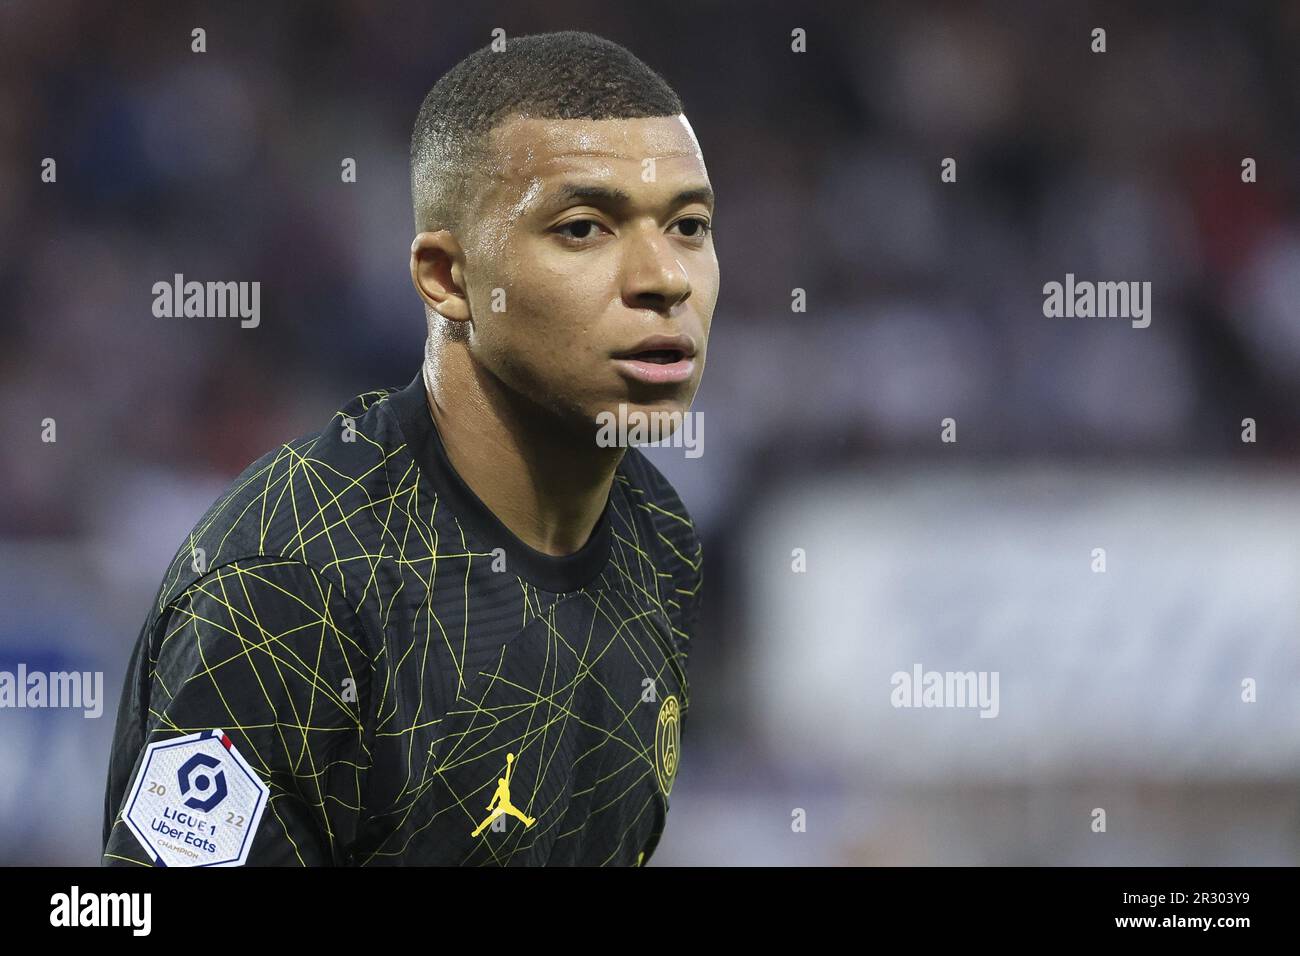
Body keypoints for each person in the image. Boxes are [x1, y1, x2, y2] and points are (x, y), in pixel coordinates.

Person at [100, 29, 716, 866]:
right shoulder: (292, 587)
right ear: (448, 279)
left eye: (687, 224)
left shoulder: (658, 532)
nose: (665, 278)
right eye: (583, 227)